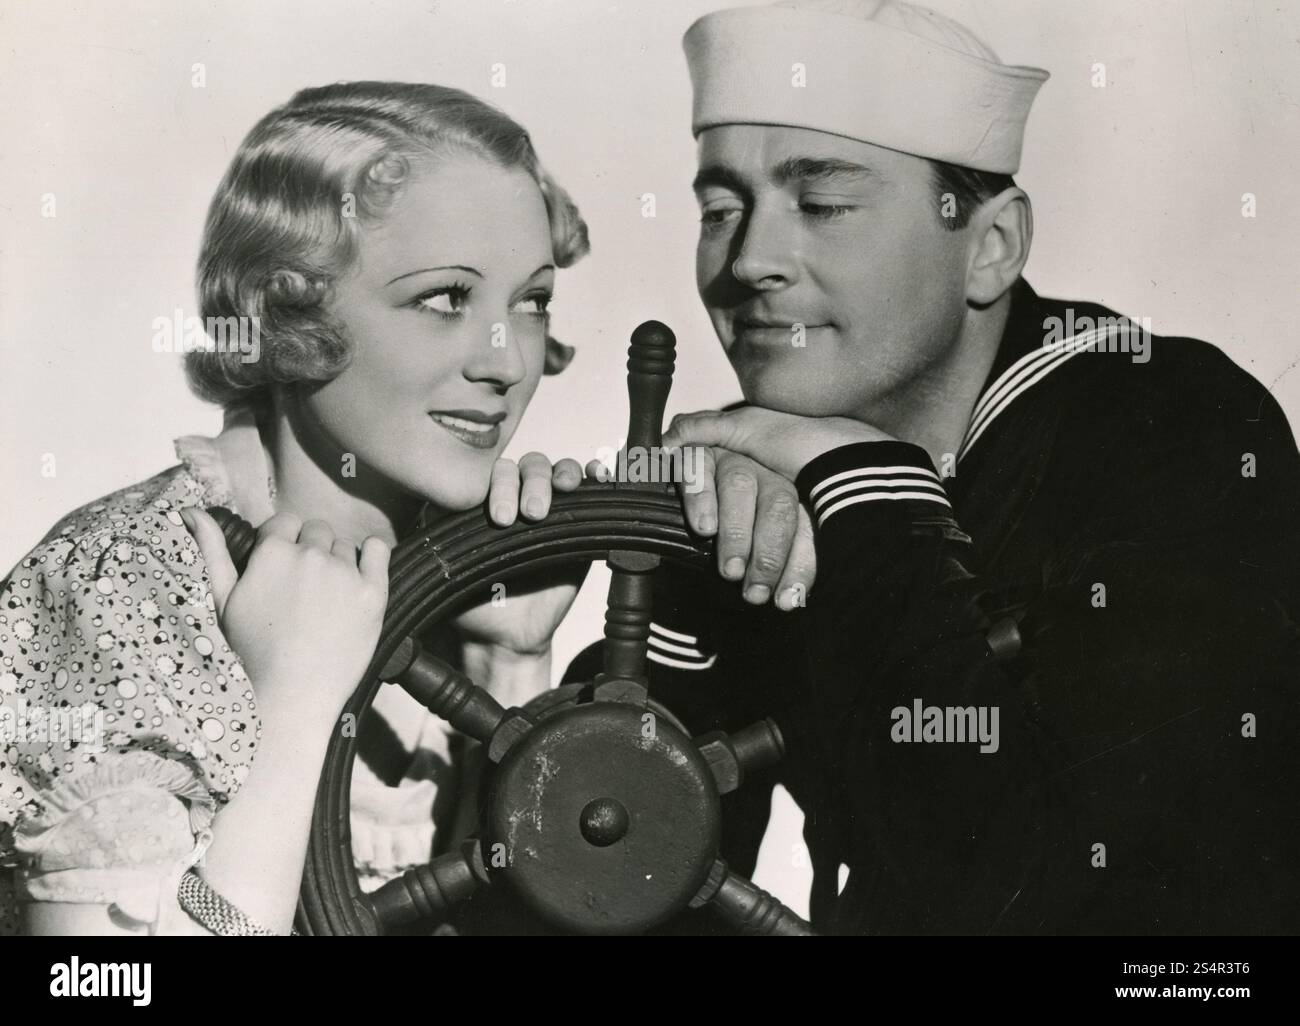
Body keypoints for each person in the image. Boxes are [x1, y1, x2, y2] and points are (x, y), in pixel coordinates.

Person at [566, 0, 1300, 934]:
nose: (748, 260)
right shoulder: (757, 478)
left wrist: (867, 487)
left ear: (989, 247)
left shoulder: (1179, 427)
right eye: (720, 210)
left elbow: (1144, 936)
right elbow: (629, 884)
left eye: (823, 205)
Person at [0, 81, 600, 936]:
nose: (506, 363)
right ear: (287, 308)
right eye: (446, 298)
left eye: (531, 302)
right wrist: (289, 709)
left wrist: (512, 670)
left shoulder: (457, 584)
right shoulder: (120, 578)